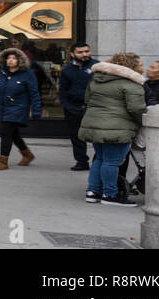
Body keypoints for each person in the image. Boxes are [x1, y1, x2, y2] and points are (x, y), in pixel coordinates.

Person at [77, 52, 147, 206]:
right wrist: (144, 121)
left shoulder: (97, 80)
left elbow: (87, 100)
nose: (143, 67)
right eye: (141, 64)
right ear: (131, 66)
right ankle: (110, 195)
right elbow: (137, 109)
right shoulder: (131, 84)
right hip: (117, 128)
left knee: (100, 159)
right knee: (112, 162)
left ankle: (93, 191)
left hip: (94, 125)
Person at [0, 47, 42, 170]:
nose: (11, 60)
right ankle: (27, 154)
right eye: (8, 58)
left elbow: (34, 93)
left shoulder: (27, 74)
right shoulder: (0, 72)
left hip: (18, 108)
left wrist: (36, 110)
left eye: (14, 58)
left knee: (6, 132)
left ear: (20, 60)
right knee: (13, 134)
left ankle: (3, 161)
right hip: (3, 107)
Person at [58, 43, 98, 171]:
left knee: (98, 135)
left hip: (94, 108)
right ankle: (81, 161)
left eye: (87, 51)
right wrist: (67, 106)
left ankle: (99, 161)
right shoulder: (67, 70)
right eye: (80, 52)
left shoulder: (97, 66)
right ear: (72, 54)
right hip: (73, 108)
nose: (85, 54)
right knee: (76, 136)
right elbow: (63, 90)